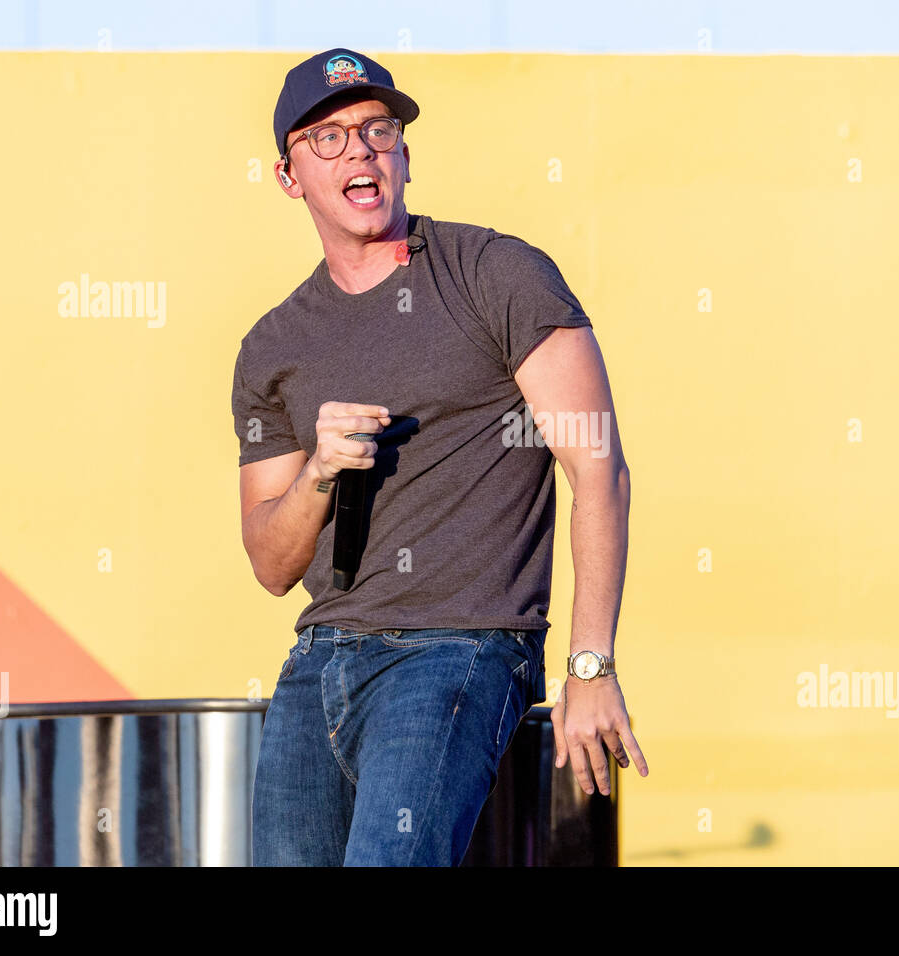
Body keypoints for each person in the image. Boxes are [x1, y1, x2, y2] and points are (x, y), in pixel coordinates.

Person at [232, 47, 647, 866]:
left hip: (460, 650)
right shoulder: (271, 345)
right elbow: (271, 564)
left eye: (377, 129)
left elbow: (598, 467)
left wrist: (590, 664)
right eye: (330, 137)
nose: (360, 150)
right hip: (320, 658)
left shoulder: (497, 274)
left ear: (405, 155)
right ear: (287, 176)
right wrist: (317, 473)